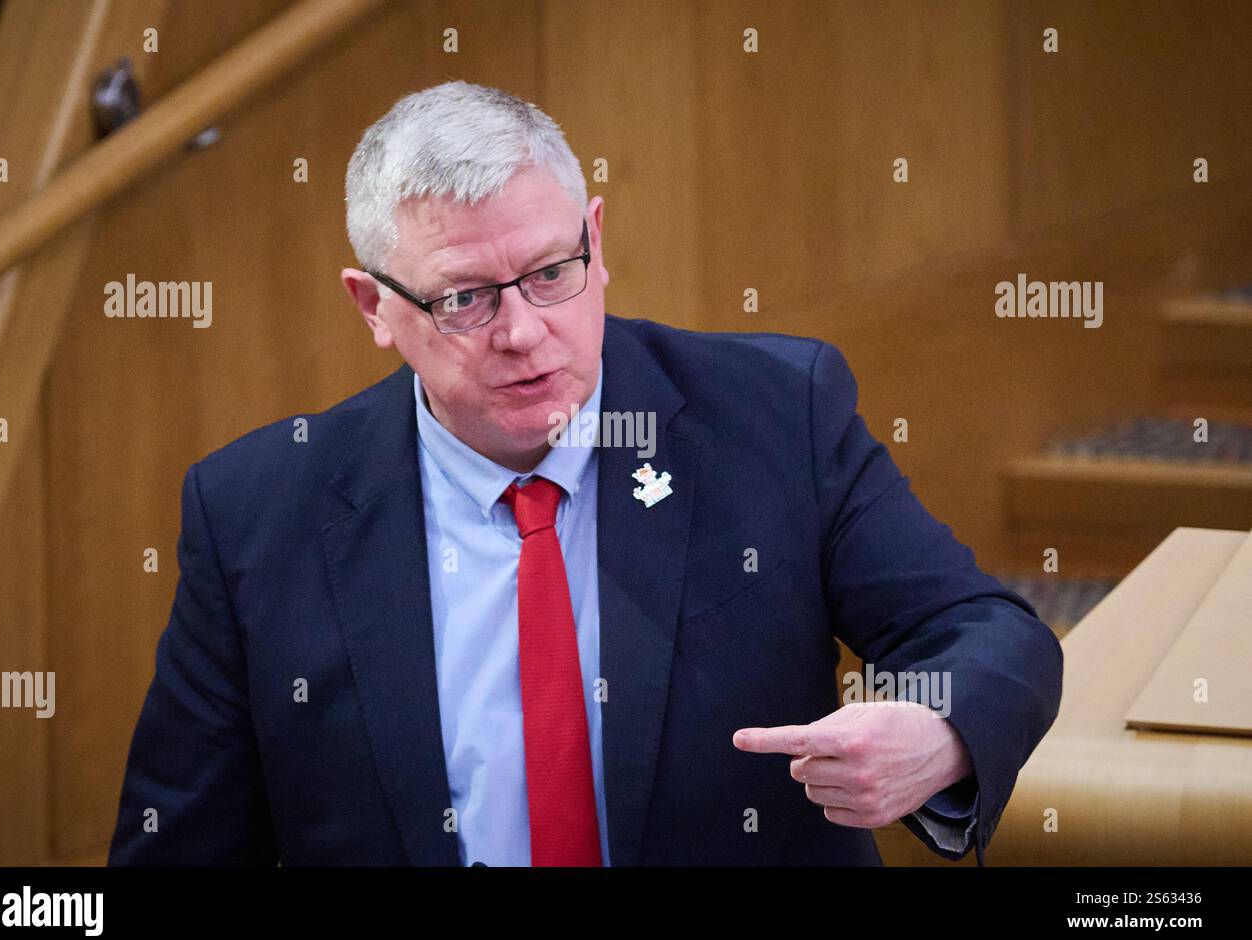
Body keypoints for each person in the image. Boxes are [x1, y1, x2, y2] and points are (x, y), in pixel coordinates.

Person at [108, 80, 1062, 867]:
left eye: (552, 273)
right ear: (373, 305)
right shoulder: (259, 511)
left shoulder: (774, 416)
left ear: (597, 243)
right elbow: (176, 849)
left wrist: (937, 733)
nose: (524, 333)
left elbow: (982, 631)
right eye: (466, 299)